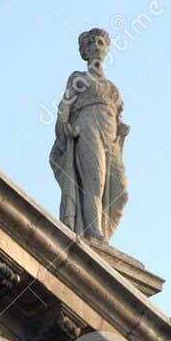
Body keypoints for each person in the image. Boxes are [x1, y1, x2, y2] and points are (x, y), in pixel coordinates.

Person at [49, 27, 129, 244]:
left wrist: (121, 128)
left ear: (107, 49)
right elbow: (64, 107)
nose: (96, 46)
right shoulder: (79, 78)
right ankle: (94, 234)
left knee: (120, 191)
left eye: (101, 42)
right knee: (95, 181)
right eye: (91, 43)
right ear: (84, 51)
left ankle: (103, 235)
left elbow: (117, 114)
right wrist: (65, 126)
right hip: (87, 127)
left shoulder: (112, 88)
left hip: (110, 137)